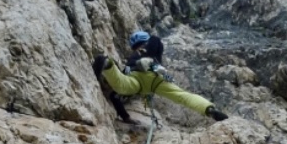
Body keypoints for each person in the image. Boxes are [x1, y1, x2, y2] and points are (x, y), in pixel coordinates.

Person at [95, 30, 228, 121]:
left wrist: (125, 117)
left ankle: (108, 64)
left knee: (121, 85)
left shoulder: (132, 57)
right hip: (156, 77)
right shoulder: (153, 44)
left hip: (136, 79)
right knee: (182, 96)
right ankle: (209, 109)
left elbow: (116, 91)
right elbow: (156, 41)